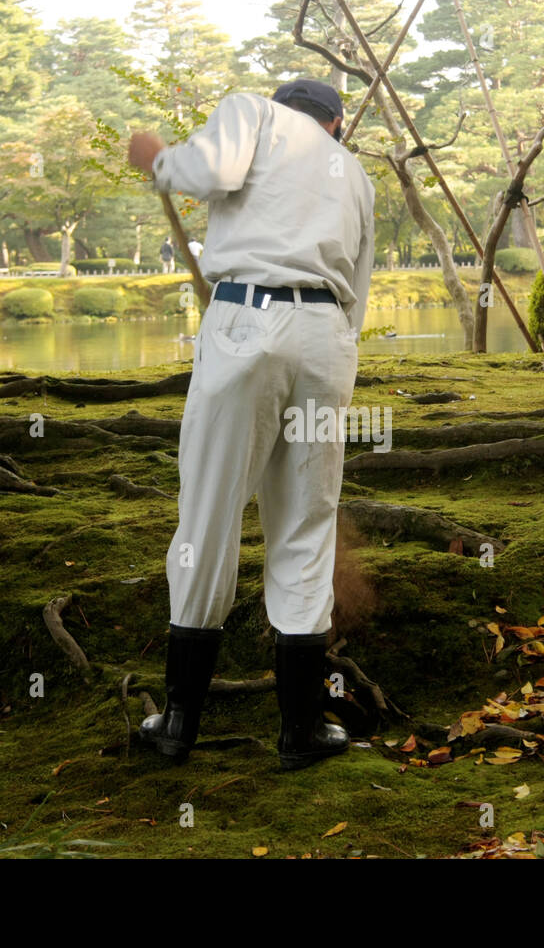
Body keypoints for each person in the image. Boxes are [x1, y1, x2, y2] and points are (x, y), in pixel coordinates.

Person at [127, 78, 375, 770]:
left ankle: (178, 723)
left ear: (283, 106)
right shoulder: (354, 171)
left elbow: (210, 171)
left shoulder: (253, 113)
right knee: (304, 523)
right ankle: (301, 729)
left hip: (249, 318)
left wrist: (158, 160)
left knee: (209, 514)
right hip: (328, 334)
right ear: (336, 122)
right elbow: (361, 276)